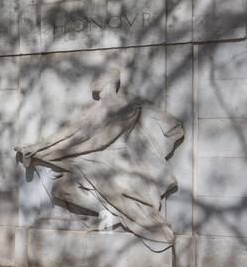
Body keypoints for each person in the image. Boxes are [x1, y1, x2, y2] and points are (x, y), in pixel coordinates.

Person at [16, 68, 184, 250]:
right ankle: (112, 215)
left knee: (62, 188)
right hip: (104, 163)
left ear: (104, 82)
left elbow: (86, 139)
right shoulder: (116, 108)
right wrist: (38, 149)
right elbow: (70, 134)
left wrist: (43, 150)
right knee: (62, 189)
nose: (92, 84)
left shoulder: (118, 108)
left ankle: (115, 216)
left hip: (110, 166)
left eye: (96, 80)